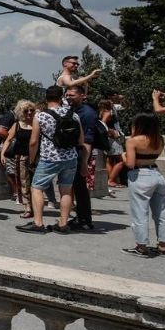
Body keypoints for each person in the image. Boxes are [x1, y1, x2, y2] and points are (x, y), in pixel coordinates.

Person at [17, 86, 82, 233]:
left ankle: (38, 223)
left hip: (49, 158)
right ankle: (63, 224)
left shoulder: (40, 116)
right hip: (71, 157)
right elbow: (81, 139)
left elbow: (33, 142)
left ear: (46, 99)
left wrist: (32, 160)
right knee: (66, 190)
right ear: (61, 98)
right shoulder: (74, 115)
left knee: (37, 188)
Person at [122, 113, 165, 257]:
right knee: (162, 213)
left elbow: (130, 164)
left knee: (140, 213)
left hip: (140, 176)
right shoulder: (159, 139)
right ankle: (163, 246)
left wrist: (123, 156)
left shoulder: (133, 141)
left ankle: (141, 246)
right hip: (157, 174)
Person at [65, 85, 98, 231]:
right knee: (77, 188)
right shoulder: (73, 110)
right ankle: (81, 217)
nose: (68, 97)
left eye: (72, 95)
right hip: (73, 154)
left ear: (82, 96)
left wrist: (84, 162)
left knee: (80, 188)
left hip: (81, 154)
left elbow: (88, 141)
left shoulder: (87, 113)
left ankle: (85, 219)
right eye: (67, 95)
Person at [0, 100, 36, 218]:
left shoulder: (37, 124)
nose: (29, 113)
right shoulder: (17, 125)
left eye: (32, 110)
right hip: (21, 157)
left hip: (36, 158)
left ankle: (34, 206)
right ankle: (28, 208)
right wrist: (2, 154)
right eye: (26, 111)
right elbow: (8, 140)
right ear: (21, 112)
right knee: (23, 183)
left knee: (35, 184)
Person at [102, 92, 127, 188]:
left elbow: (125, 106)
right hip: (113, 136)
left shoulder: (112, 106)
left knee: (109, 158)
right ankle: (111, 180)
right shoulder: (107, 108)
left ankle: (112, 179)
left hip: (113, 135)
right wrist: (111, 132)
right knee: (121, 159)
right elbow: (103, 122)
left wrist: (122, 99)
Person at [0, 105, 19, 200]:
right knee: (11, 171)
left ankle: (17, 193)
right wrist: (14, 139)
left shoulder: (13, 116)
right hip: (9, 148)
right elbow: (1, 132)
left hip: (11, 147)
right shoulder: (10, 116)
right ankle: (16, 193)